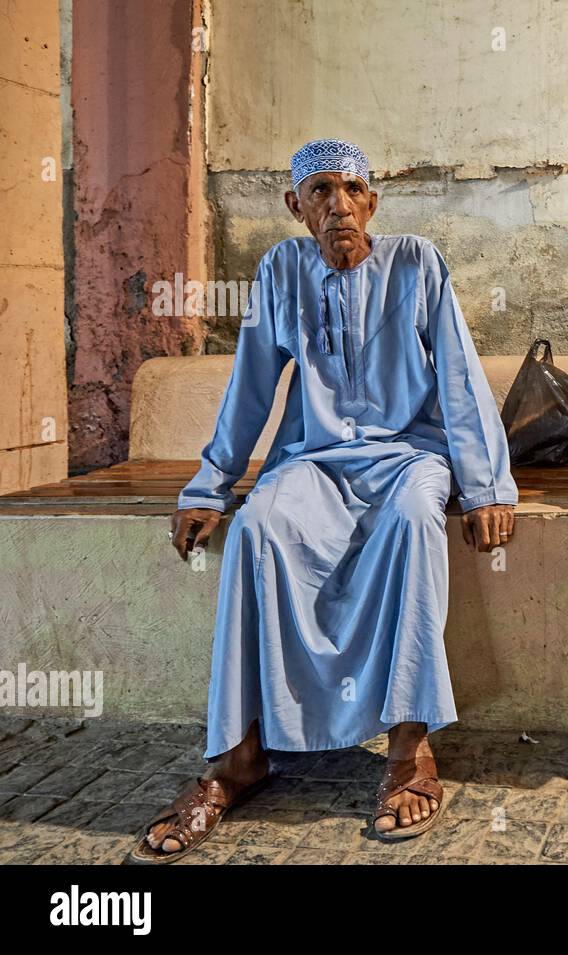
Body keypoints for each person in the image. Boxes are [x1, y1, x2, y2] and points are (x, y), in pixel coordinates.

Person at [130, 139, 518, 862]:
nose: (338, 205)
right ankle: (239, 757)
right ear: (295, 207)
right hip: (315, 458)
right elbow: (251, 387)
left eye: (350, 190)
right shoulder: (280, 270)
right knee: (256, 530)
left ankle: (409, 746)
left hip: (412, 454)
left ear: (372, 201)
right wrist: (210, 485)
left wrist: (489, 484)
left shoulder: (417, 262)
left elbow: (462, 378)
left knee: (411, 521)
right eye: (320, 193)